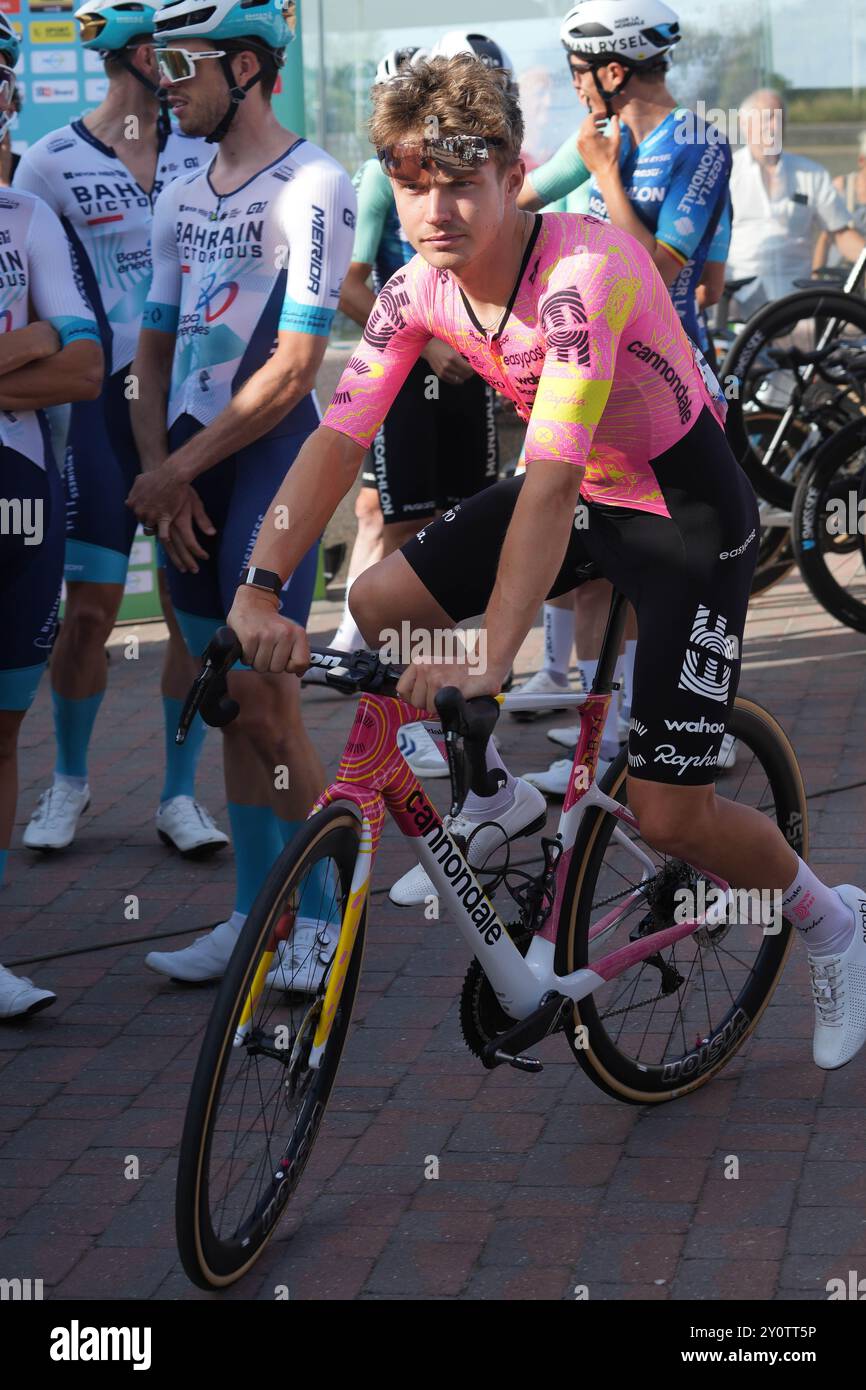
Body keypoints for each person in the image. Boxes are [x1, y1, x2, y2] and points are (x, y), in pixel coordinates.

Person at [225, 52, 866, 1073]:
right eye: (411, 182)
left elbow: (551, 480)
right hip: (584, 493)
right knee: (385, 597)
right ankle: (491, 801)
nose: (435, 209)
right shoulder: (416, 289)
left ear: (513, 175)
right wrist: (257, 586)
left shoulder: (583, 274)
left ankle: (830, 918)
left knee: (669, 813)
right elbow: (337, 441)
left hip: (683, 518)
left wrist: (493, 659)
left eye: (459, 180)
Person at [127, 0, 356, 989]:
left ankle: (321, 919)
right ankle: (250, 917)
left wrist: (176, 469)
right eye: (153, 60)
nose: (161, 80)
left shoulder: (313, 183)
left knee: (270, 704)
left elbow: (296, 366)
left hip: (267, 469)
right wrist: (158, 477)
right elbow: (149, 350)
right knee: (222, 703)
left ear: (251, 66)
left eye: (180, 60)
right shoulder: (178, 193)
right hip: (182, 472)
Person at [14, 0, 225, 858]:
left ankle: (178, 797)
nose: (170, 61)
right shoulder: (50, 160)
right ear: (119, 51)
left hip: (185, 404)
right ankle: (68, 785)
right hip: (95, 414)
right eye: (156, 48)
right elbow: (29, 290)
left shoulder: (202, 147)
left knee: (190, 617)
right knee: (91, 614)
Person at [516, 0, 735, 793]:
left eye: (579, 72)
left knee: (655, 571)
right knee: (592, 574)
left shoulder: (697, 143)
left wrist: (605, 176)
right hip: (587, 392)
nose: (575, 87)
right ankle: (602, 739)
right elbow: (514, 209)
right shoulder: (594, 140)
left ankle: (660, 733)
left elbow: (662, 271)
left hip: (668, 391)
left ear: (612, 70)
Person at [332, 33, 502, 787]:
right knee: (401, 524)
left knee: (464, 518)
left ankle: (446, 689)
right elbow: (349, 282)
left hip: (470, 373)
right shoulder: (387, 175)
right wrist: (429, 345)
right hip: (417, 365)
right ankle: (387, 670)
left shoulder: (484, 173)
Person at [0, 17, 105, 1017]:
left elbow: (84, 365)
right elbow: (52, 357)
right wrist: (24, 347)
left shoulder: (25, 214)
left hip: (22, 498)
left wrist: (43, 346)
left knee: (2, 733)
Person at [727, 89, 866, 316]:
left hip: (797, 305)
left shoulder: (811, 174)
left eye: (779, 119)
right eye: (766, 118)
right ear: (744, 123)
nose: (773, 127)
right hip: (738, 301)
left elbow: (840, 232)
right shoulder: (727, 173)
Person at [814, 129, 866, 275]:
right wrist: (815, 277)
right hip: (841, 273)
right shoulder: (841, 187)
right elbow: (825, 237)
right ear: (861, 160)